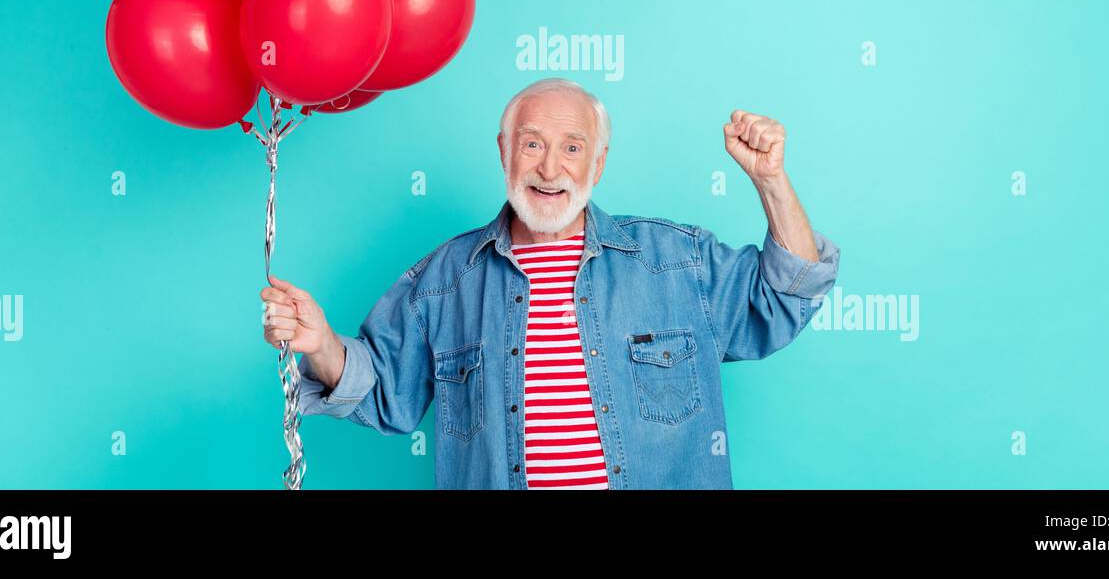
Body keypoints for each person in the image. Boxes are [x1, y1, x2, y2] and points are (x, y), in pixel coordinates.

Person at [260, 76, 840, 489]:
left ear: (599, 164)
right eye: (532, 144)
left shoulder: (675, 261)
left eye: (572, 148)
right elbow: (385, 392)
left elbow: (783, 299)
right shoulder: (447, 280)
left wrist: (771, 182)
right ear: (505, 152)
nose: (550, 167)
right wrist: (323, 345)